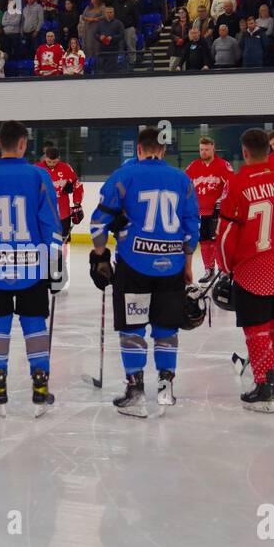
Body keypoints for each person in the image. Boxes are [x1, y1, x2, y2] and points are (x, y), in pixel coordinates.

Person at [89, 127, 199, 416]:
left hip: (134, 265)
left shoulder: (124, 176)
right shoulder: (182, 179)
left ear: (138, 150)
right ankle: (165, 388)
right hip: (172, 265)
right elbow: (191, 228)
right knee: (166, 327)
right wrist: (187, 265)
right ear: (162, 151)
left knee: (133, 327)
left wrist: (99, 257)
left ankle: (135, 389)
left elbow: (99, 222)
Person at [0, 120, 63, 416]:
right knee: (34, 324)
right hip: (31, 267)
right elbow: (50, 226)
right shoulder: (39, 176)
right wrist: (56, 271)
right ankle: (40, 387)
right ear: (23, 144)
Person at [217, 128, 274, 411]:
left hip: (254, 271)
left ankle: (263, 387)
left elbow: (224, 237)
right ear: (269, 150)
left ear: (245, 152)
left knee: (257, 330)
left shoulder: (237, 183)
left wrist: (227, 267)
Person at [183, 136, 235, 282]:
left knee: (219, 242)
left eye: (206, 149)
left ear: (213, 148)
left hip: (217, 212)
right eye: (201, 150)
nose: (203, 152)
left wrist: (222, 202)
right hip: (199, 213)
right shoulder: (193, 167)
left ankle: (223, 271)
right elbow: (185, 187)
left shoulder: (223, 165)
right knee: (204, 242)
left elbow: (231, 185)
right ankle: (209, 270)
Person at [37, 142, 83, 287]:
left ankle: (59, 270)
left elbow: (77, 186)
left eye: (55, 161)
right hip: (42, 214)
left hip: (62, 214)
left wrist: (76, 205)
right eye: (49, 161)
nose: (51, 164)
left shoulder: (66, 168)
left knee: (62, 243)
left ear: (59, 158)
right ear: (45, 157)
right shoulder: (36, 169)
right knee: (42, 242)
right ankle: (42, 271)